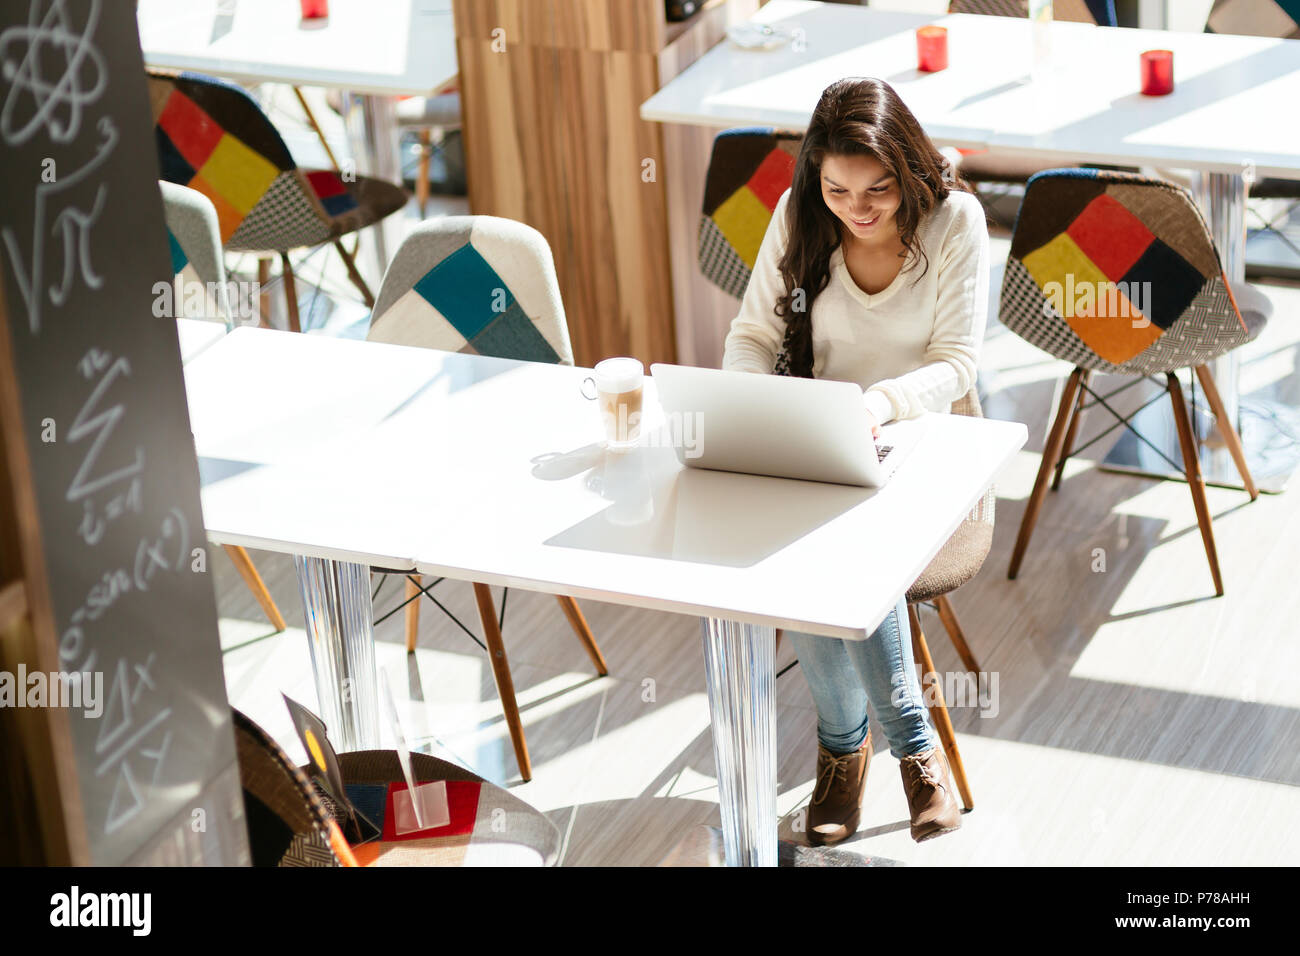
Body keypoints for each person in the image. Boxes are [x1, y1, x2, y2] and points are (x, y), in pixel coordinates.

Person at [721, 77, 990, 845]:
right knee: (816, 529)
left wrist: (874, 406)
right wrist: (756, 406)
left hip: (924, 433)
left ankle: (861, 751)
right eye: (837, 189)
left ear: (908, 168)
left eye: (877, 189)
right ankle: (904, 751)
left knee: (833, 540)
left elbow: (957, 364)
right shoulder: (800, 213)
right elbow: (752, 337)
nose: (857, 208)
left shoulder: (955, 221)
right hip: (823, 433)